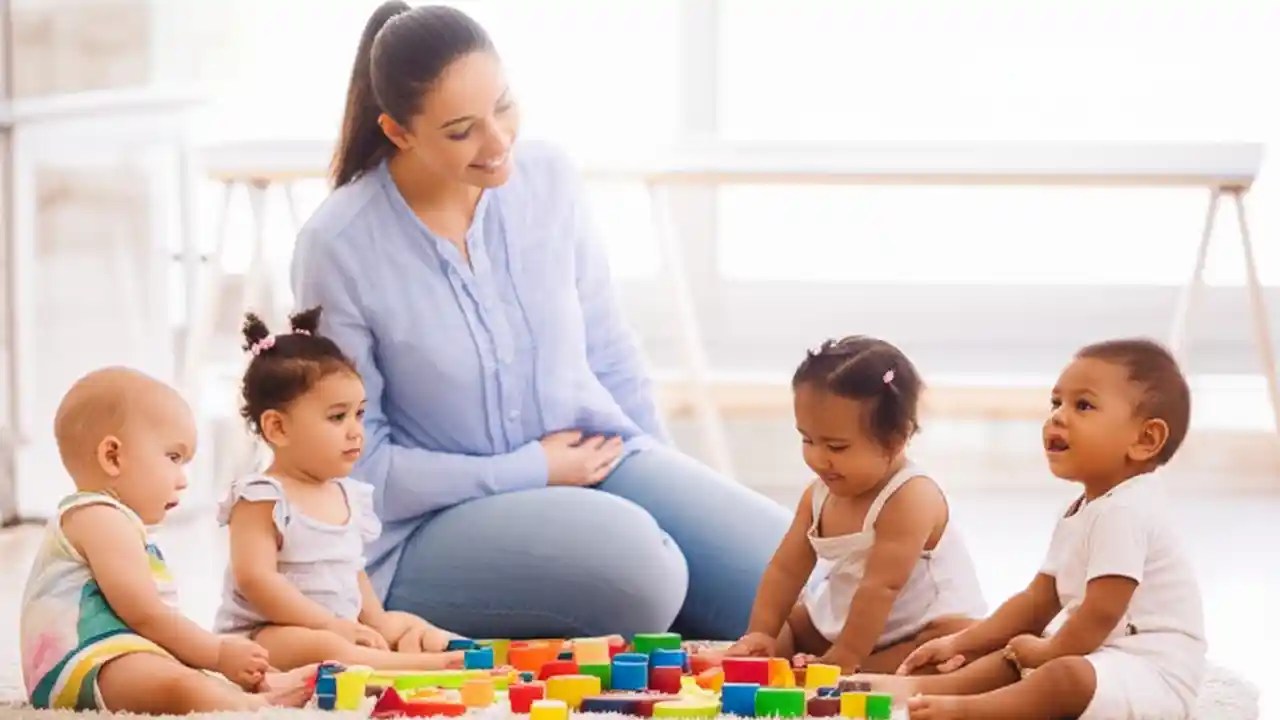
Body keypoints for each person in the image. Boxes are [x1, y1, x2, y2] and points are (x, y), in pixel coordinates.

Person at [290, 1, 789, 639]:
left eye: (503, 105)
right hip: (430, 523)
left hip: (593, 462)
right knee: (643, 570)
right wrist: (532, 469)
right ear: (399, 132)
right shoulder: (340, 244)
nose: (498, 144)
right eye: (461, 129)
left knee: (795, 575)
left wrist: (670, 485)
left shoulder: (549, 179)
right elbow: (357, 465)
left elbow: (609, 351)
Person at [856, 339, 1206, 720]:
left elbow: (1101, 612)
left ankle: (970, 711)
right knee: (1013, 652)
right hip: (1105, 656)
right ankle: (918, 690)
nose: (1057, 417)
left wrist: (1048, 652)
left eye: (1083, 405)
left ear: (1145, 440)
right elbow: (1038, 601)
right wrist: (961, 641)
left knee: (1061, 672)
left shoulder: (1126, 509)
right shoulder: (1082, 509)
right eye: (1056, 403)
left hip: (1152, 675)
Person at [20, 367, 314, 713]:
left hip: (109, 656)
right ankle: (251, 707)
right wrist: (217, 653)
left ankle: (246, 693)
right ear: (113, 457)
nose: (182, 480)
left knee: (185, 674)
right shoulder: (100, 518)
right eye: (173, 458)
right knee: (182, 685)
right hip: (82, 665)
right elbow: (146, 615)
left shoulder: (113, 521)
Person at [213, 309, 465, 671]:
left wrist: (377, 621)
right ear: (278, 429)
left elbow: (350, 570)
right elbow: (256, 579)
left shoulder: (347, 495)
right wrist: (328, 624)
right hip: (263, 636)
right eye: (337, 417)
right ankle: (409, 667)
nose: (355, 431)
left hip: (338, 626)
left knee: (405, 622)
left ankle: (453, 651)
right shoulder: (262, 497)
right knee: (326, 647)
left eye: (359, 414)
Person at [724, 337, 986, 673]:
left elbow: (881, 587)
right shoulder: (817, 496)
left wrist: (846, 656)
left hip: (918, 629)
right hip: (847, 622)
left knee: (954, 646)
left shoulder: (910, 497)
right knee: (787, 622)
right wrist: (761, 631)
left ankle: (856, 672)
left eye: (836, 446)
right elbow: (786, 570)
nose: (818, 458)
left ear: (894, 440)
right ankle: (803, 665)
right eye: (807, 439)